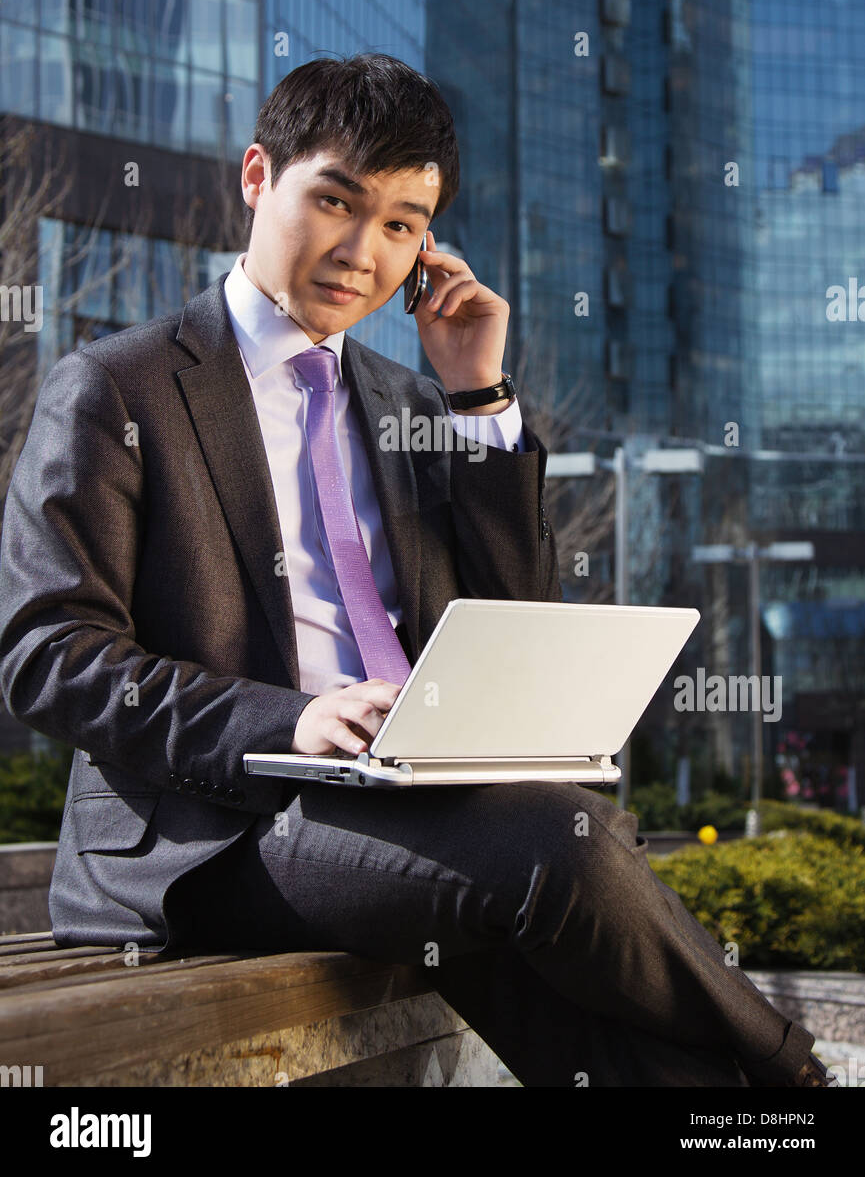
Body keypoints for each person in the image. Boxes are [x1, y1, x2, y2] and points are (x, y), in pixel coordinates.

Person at [0, 53, 833, 1087]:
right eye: (336, 201)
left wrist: (479, 399)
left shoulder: (409, 404)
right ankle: (797, 1077)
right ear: (258, 177)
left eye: (401, 223)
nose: (362, 251)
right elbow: (47, 655)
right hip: (214, 837)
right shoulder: (118, 385)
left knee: (585, 984)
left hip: (422, 805)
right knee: (558, 849)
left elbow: (514, 624)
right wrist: (285, 720)